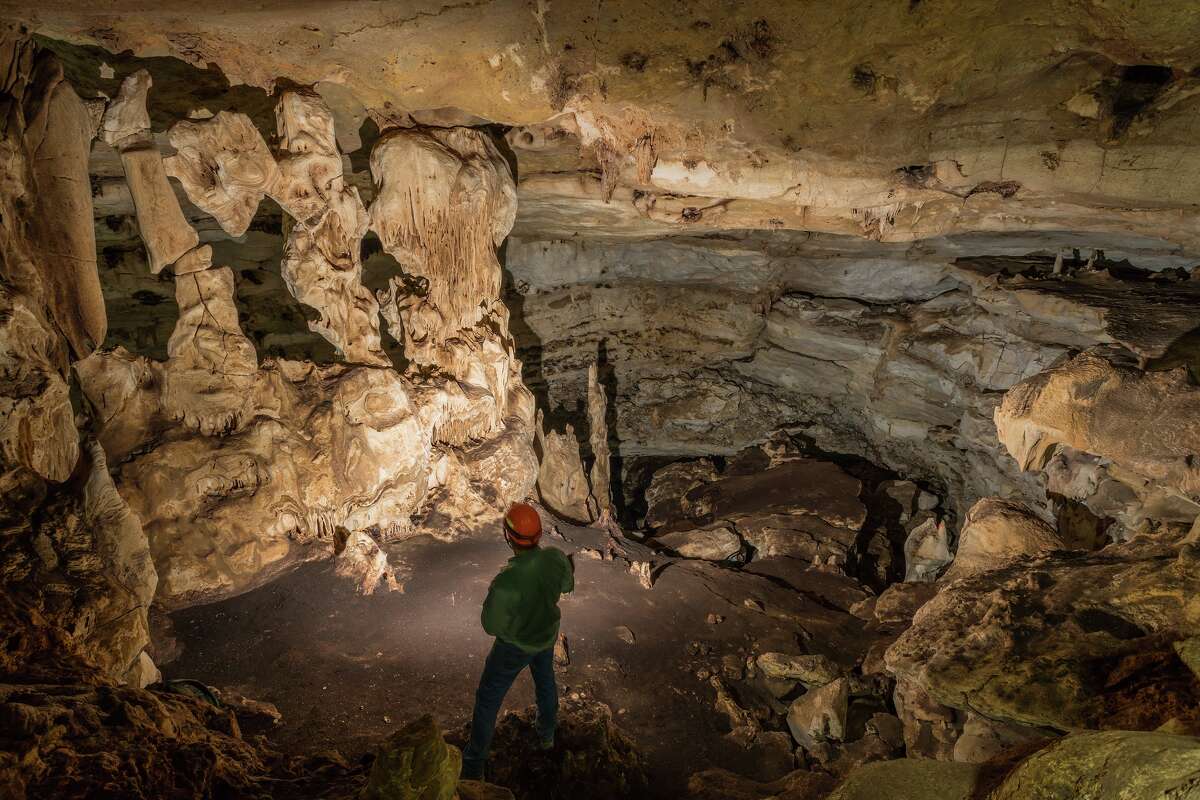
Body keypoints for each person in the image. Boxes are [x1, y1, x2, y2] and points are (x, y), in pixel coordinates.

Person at [461, 502, 575, 780]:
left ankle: (474, 767)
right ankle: (547, 736)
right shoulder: (556, 558)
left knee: (488, 699)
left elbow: (490, 626)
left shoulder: (506, 581)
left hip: (514, 646)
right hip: (545, 636)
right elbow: (567, 586)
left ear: (507, 536)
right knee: (545, 682)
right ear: (539, 535)